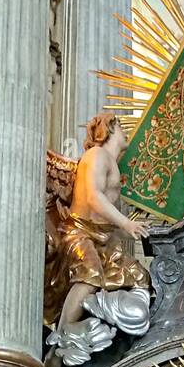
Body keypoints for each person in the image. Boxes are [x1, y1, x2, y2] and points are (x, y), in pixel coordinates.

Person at [46, 112, 149, 342]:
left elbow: (109, 219)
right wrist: (126, 222)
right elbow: (93, 197)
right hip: (80, 232)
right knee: (89, 275)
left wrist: (131, 241)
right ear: (110, 129)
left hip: (103, 237)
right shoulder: (97, 155)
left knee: (139, 277)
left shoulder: (111, 163)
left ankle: (105, 331)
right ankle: (60, 344)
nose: (126, 133)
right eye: (122, 127)